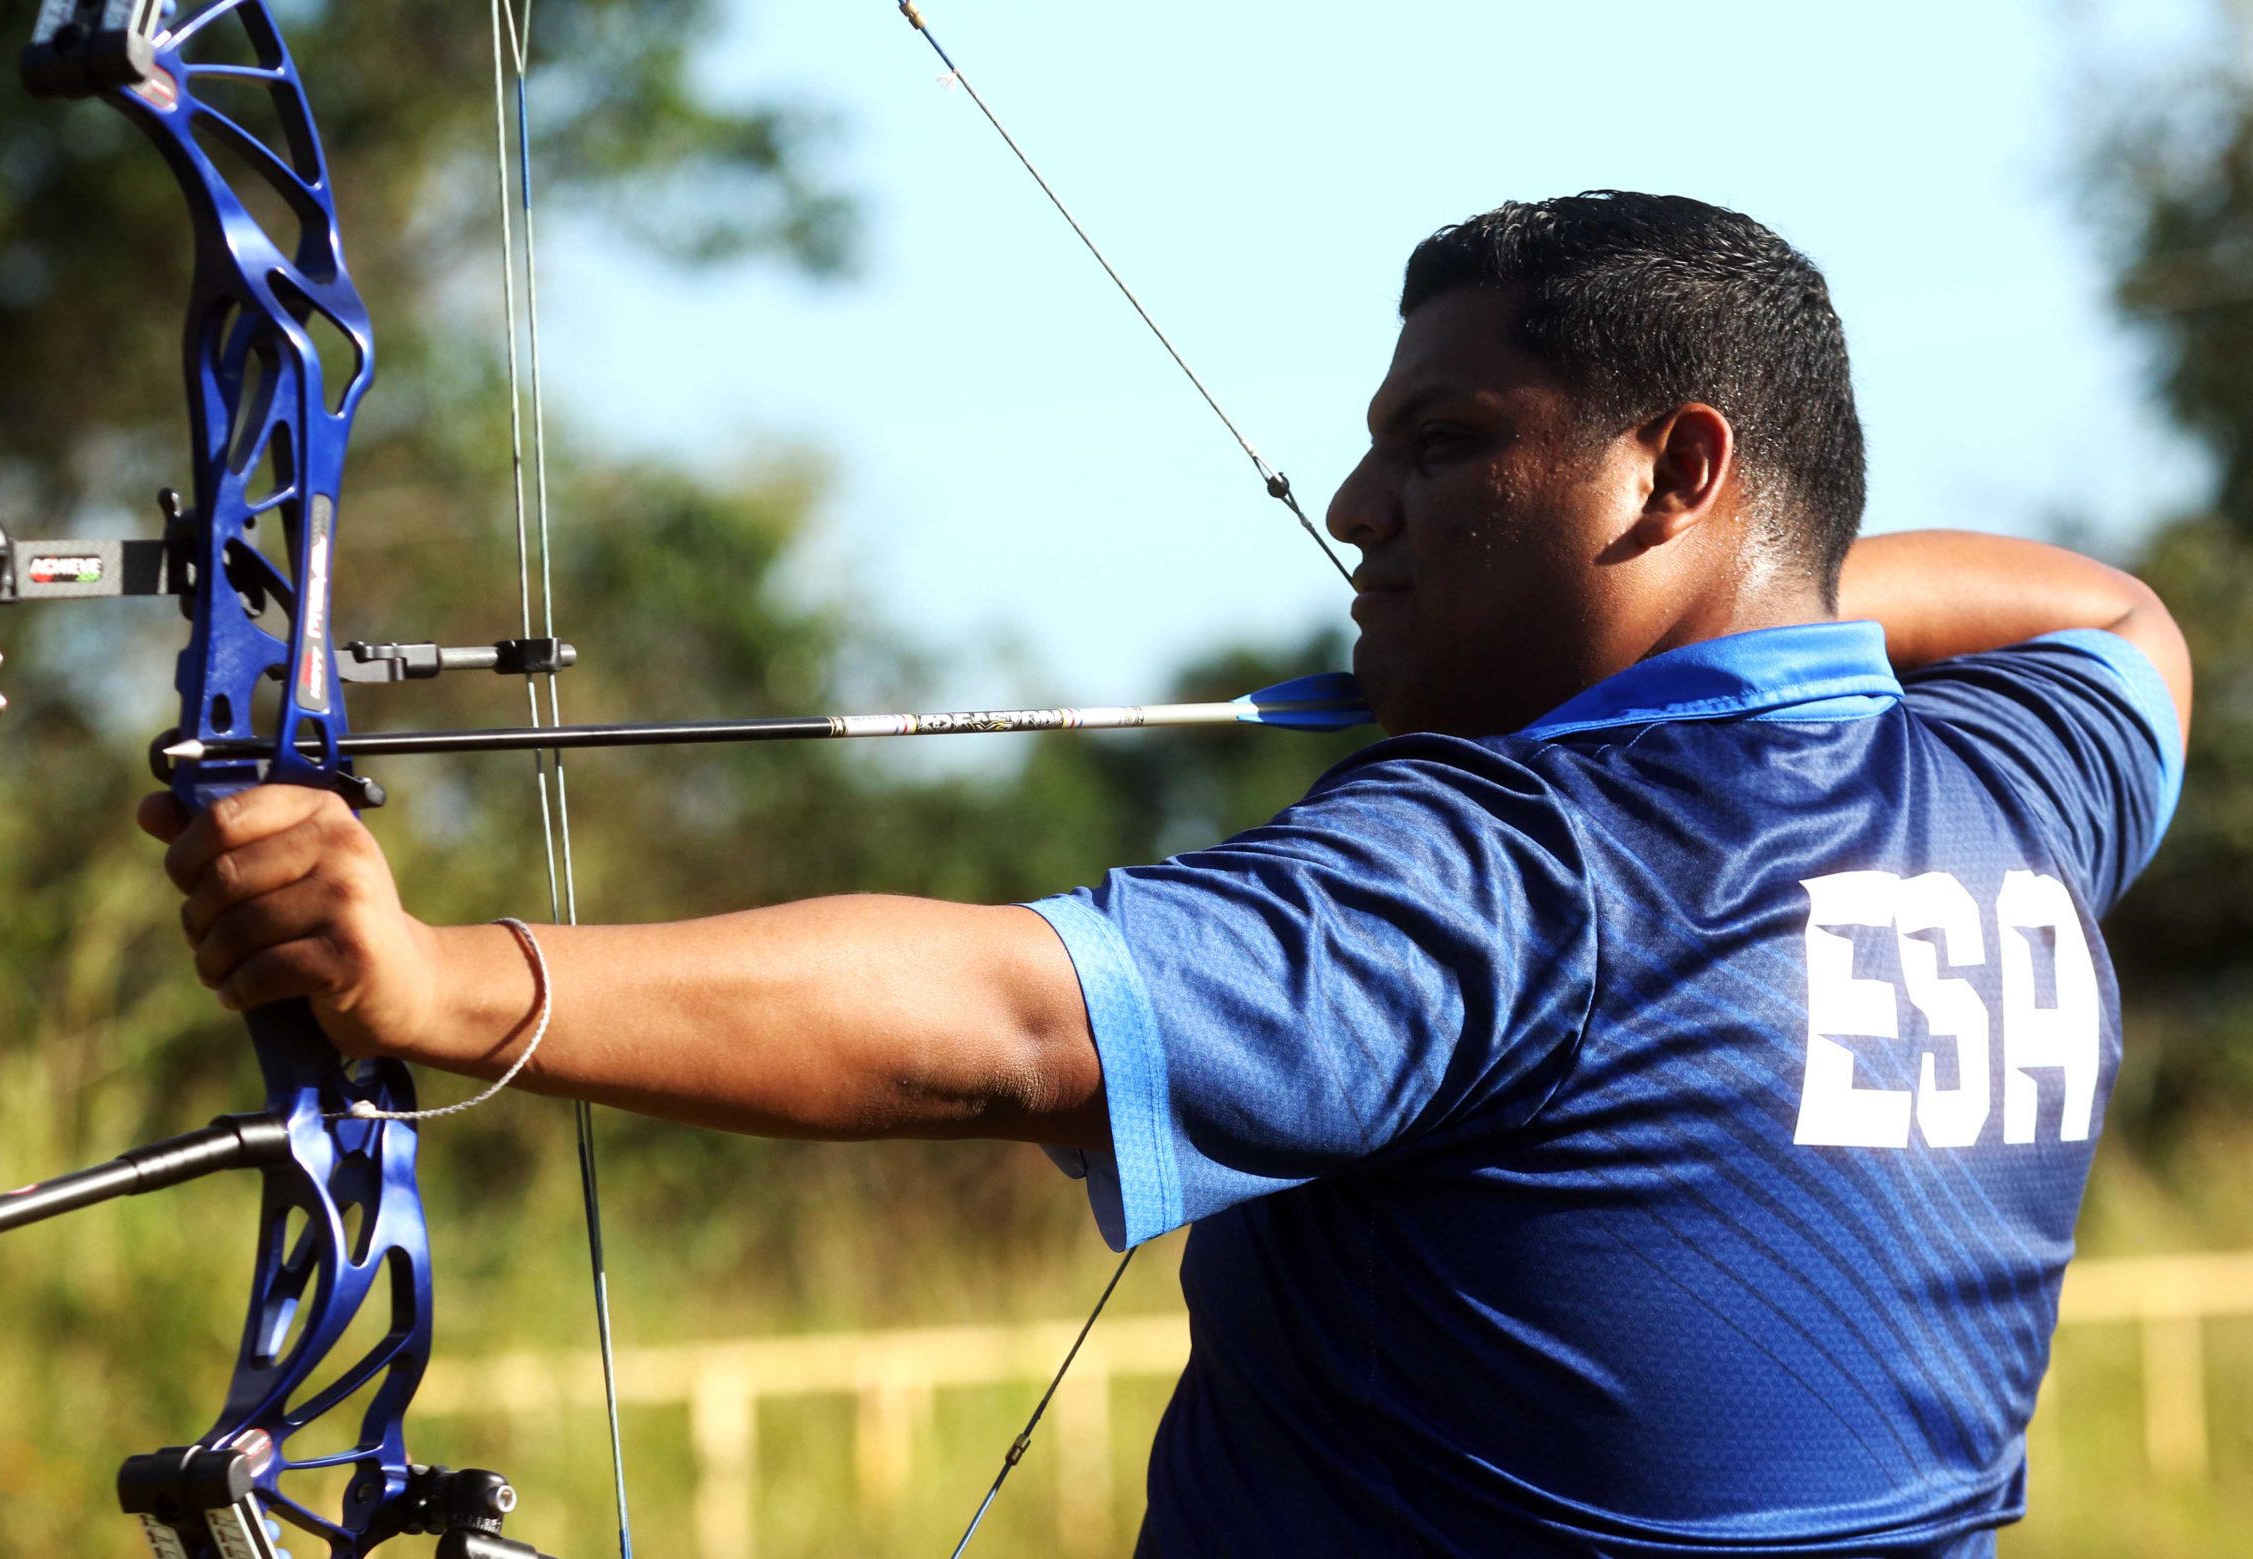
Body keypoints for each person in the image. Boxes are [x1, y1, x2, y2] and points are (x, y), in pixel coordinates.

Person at [139, 192, 2191, 1556]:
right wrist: (1767, 638)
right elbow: (2111, 617)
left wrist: (439, 984)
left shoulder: (1518, 872)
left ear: (1672, 470)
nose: (1361, 506)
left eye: (1447, 439)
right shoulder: (2012, 789)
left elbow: (1002, 1019)